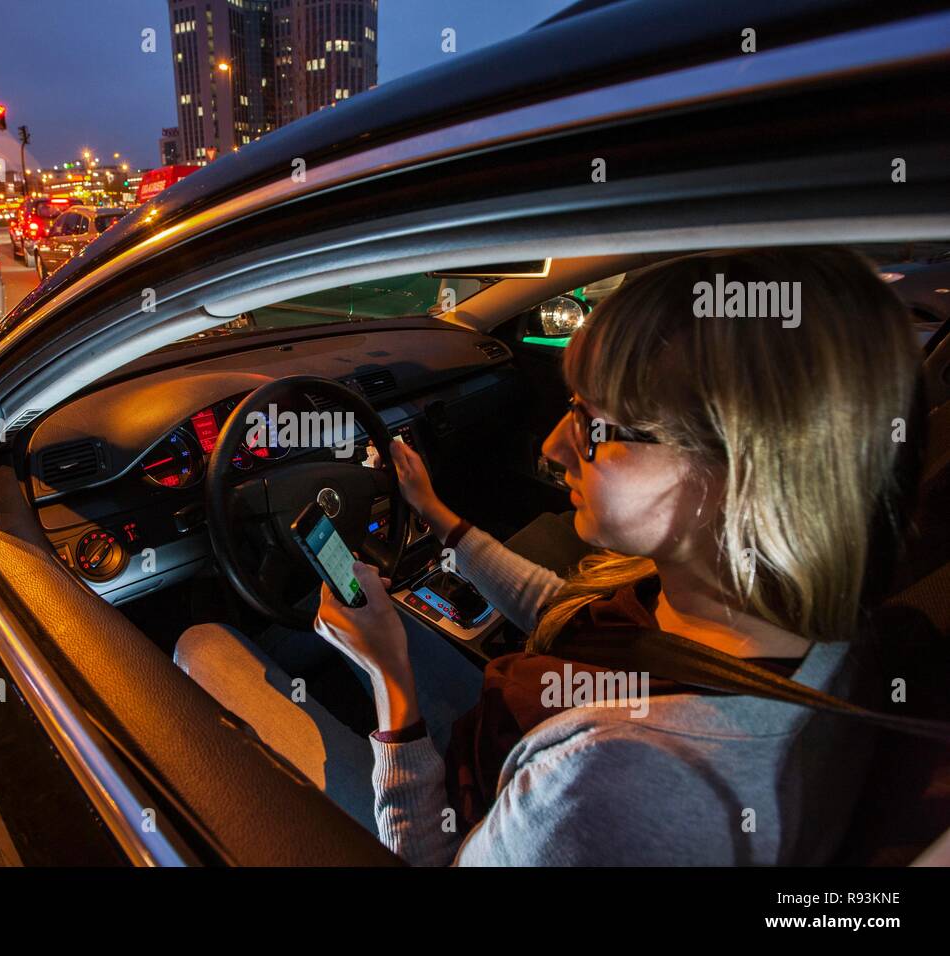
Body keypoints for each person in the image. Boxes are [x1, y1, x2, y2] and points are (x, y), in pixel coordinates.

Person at [175, 247, 926, 865]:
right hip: (504, 739)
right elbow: (571, 619)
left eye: (595, 425)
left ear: (736, 474)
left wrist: (391, 685)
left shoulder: (616, 784)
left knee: (203, 646)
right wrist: (442, 521)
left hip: (445, 819)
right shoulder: (811, 619)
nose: (554, 447)